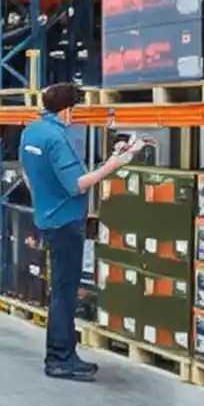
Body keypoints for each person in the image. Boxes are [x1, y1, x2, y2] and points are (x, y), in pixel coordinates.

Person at [19, 82, 149, 381]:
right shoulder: (57, 138)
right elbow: (77, 184)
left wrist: (44, 198)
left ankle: (62, 354)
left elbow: (28, 174)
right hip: (65, 223)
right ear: (66, 110)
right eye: (73, 111)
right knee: (65, 292)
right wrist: (117, 163)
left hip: (47, 217)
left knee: (60, 290)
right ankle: (60, 358)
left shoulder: (31, 132)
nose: (73, 116)